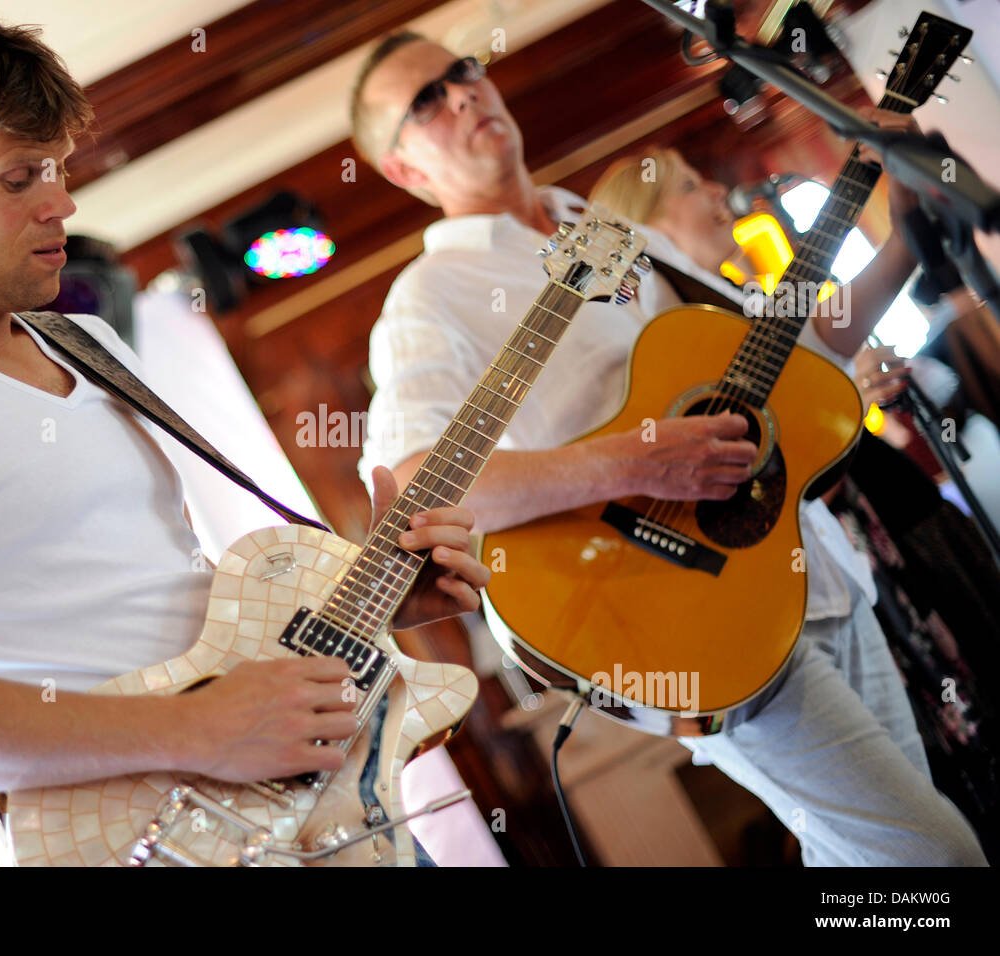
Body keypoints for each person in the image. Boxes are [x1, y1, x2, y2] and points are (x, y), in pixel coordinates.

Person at [0, 10, 491, 862]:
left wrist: (378, 602)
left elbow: (166, 607)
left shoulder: (91, 344)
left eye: (59, 170)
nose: (62, 202)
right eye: (19, 178)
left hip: (292, 814)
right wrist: (192, 729)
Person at [351, 29, 987, 865]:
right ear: (401, 170)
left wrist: (906, 238)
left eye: (462, 72)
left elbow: (790, 356)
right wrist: (642, 463)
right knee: (938, 858)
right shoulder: (430, 296)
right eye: (426, 102)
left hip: (810, 569)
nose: (462, 95)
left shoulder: (605, 230)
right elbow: (425, 489)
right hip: (684, 618)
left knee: (871, 863)